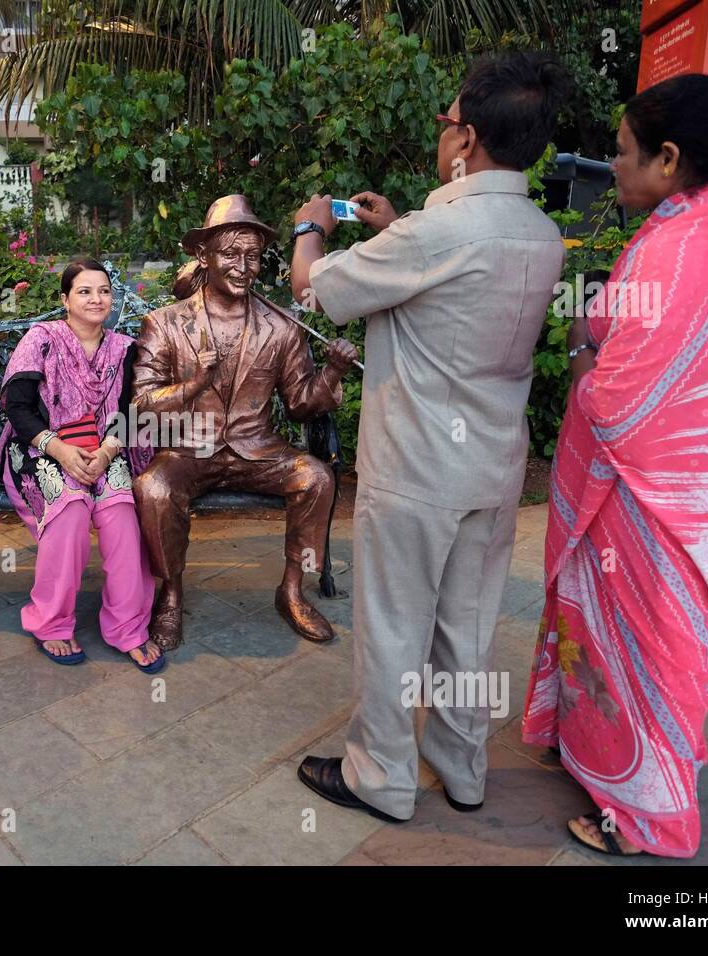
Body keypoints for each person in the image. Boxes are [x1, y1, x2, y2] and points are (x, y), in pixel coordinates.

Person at [521, 74, 708, 857]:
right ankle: (588, 753)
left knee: (653, 651)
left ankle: (651, 818)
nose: (612, 165)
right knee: (632, 641)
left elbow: (618, 405)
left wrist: (581, 340)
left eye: (621, 153)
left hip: (657, 501)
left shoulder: (679, 251)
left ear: (669, 159)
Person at [290, 52, 569, 822]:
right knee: (468, 628)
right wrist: (394, 227)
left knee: (392, 627)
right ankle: (462, 765)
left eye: (447, 122)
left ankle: (378, 776)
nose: (442, 132)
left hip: (416, 469)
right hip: (493, 465)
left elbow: (314, 287)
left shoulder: (433, 232)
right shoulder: (540, 233)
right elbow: (452, 272)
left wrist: (310, 229)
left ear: (469, 137)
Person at [131, 195, 360, 650]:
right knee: (154, 488)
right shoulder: (166, 323)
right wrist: (193, 385)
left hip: (258, 450)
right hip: (188, 450)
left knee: (315, 477)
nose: (242, 266)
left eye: (252, 255)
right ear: (204, 255)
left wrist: (331, 371)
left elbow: (299, 404)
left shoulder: (281, 327)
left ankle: (292, 590)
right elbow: (141, 408)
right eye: (230, 253)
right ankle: (171, 593)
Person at [0, 259, 164, 671]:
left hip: (106, 446)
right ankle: (51, 622)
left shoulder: (124, 349)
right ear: (64, 299)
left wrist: (105, 453)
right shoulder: (42, 339)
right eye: (84, 291)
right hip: (39, 447)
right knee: (69, 509)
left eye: (103, 290)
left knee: (121, 513)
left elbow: (130, 411)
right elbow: (17, 407)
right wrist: (62, 451)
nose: (96, 298)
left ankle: (128, 627)